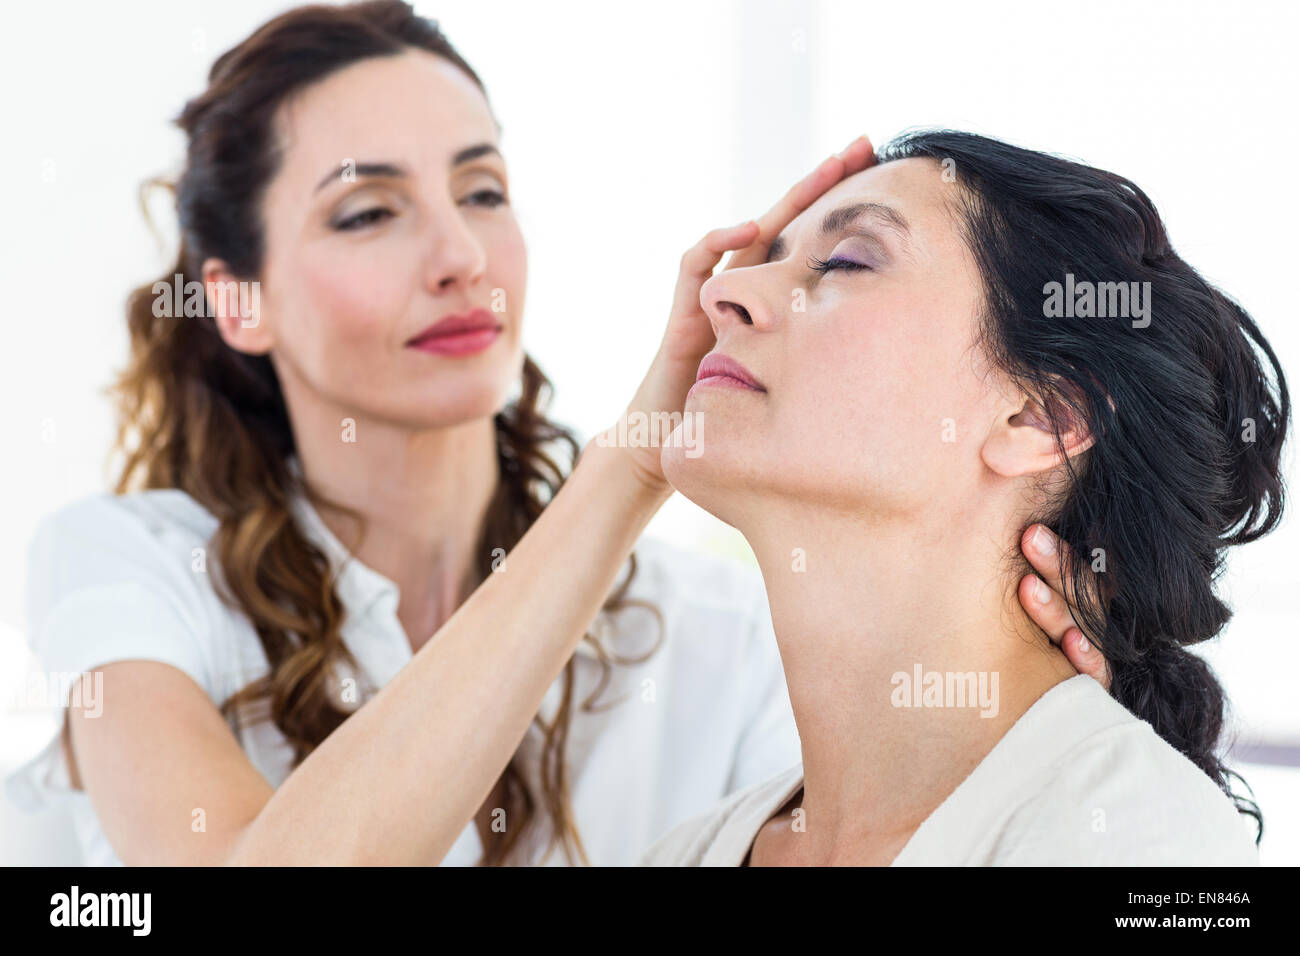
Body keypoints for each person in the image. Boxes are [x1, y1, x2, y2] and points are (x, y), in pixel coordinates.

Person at [4, 4, 1101, 866]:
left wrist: (1032, 736)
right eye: (367, 211)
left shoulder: (717, 637)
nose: (460, 257)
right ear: (236, 300)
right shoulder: (130, 567)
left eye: (482, 190)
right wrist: (632, 461)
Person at [643, 130, 1288, 866]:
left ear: (1040, 418)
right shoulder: (684, 853)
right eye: (771, 260)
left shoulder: (1148, 842)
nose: (721, 290)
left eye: (848, 261)